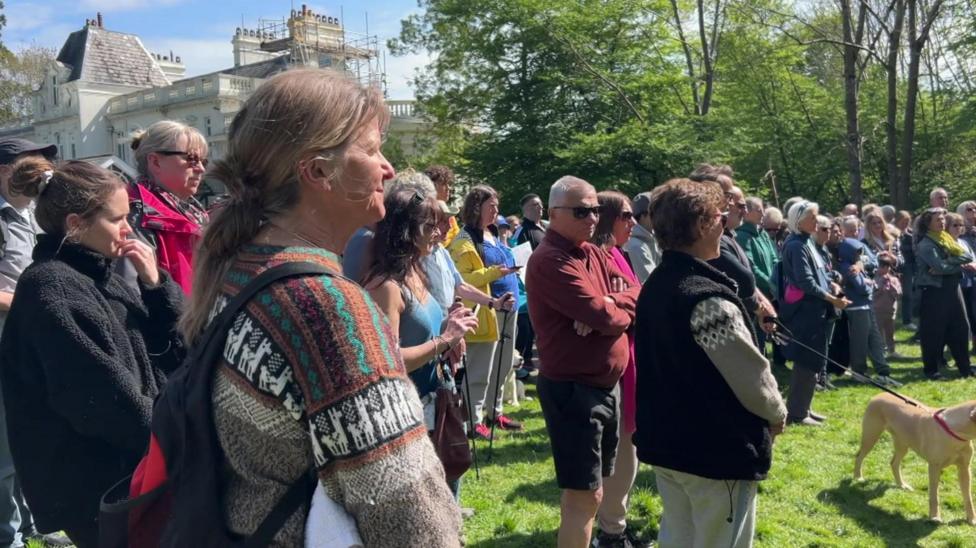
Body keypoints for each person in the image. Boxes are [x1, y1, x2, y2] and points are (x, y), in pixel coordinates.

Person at [178, 69, 461, 546]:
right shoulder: (325, 306)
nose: (388, 168)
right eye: (371, 150)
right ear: (317, 171)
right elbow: (408, 512)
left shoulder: (240, 268)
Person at [0, 158, 185, 547]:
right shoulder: (52, 289)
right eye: (117, 219)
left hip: (131, 473)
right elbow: (103, 401)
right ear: (76, 224)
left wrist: (155, 286)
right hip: (98, 488)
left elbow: (172, 352)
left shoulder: (100, 277)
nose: (129, 229)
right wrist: (179, 439)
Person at [633, 178, 786, 548]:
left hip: (670, 446)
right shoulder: (706, 300)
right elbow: (752, 379)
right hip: (714, 453)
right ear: (701, 225)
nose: (724, 224)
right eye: (719, 217)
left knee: (678, 540)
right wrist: (777, 413)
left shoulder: (657, 285)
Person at [527, 176, 640, 548]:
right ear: (554, 213)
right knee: (584, 495)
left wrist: (611, 302)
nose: (593, 218)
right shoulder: (551, 259)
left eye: (595, 210)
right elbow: (602, 316)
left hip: (602, 387)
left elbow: (637, 291)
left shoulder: (590, 252)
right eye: (581, 211)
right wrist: (606, 310)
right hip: (574, 391)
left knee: (592, 492)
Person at [361, 187, 479, 498]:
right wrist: (444, 339)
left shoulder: (416, 273)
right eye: (429, 226)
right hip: (408, 418)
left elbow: (424, 331)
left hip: (435, 406)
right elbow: (387, 361)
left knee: (447, 495)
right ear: (404, 230)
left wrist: (450, 329)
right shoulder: (385, 286)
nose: (439, 233)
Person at [0, 139, 70, 548]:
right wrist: (32, 299)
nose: (44, 169)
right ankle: (8, 535)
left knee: (33, 435)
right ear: (4, 170)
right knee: (5, 448)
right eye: (32, 162)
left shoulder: (33, 215)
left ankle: (34, 525)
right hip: (6, 342)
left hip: (32, 340)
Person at [589, 191, 646, 548]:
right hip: (611, 369)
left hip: (631, 359)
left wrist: (621, 300)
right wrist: (622, 303)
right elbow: (601, 312)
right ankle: (611, 531)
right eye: (626, 215)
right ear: (608, 218)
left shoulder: (619, 256)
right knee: (620, 454)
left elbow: (639, 296)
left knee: (629, 450)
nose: (633, 221)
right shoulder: (596, 256)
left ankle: (615, 525)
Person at [448, 185, 521, 439]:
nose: (496, 211)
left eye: (497, 206)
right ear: (477, 207)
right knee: (480, 371)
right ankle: (473, 421)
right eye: (492, 206)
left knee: (502, 366)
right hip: (486, 310)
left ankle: (494, 412)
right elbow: (463, 279)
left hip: (508, 307)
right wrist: (495, 273)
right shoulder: (464, 239)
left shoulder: (492, 233)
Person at [780, 200, 849, 426]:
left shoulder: (807, 242)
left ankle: (804, 407)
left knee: (814, 361)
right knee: (805, 360)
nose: (815, 221)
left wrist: (832, 285)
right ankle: (797, 412)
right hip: (805, 311)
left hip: (816, 309)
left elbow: (821, 274)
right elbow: (806, 282)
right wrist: (832, 299)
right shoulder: (795, 246)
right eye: (811, 217)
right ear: (798, 220)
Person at [127, 120, 209, 293]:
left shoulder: (193, 212)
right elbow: (132, 291)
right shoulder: (136, 215)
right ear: (155, 162)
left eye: (203, 161)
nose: (201, 169)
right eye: (191, 159)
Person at [914, 208, 976, 380]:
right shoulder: (926, 244)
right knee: (934, 331)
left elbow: (967, 256)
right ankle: (932, 370)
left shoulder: (947, 239)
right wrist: (954, 265)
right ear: (928, 223)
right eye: (937, 220)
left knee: (961, 327)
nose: (942, 222)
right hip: (935, 291)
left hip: (953, 288)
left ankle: (965, 367)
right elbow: (939, 267)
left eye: (943, 219)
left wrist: (949, 263)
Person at [836, 238, 899, 386]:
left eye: (860, 252)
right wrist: (871, 284)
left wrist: (869, 282)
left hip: (866, 306)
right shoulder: (847, 267)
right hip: (856, 308)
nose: (859, 255)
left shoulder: (858, 265)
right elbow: (861, 288)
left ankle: (883, 371)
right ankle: (859, 372)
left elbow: (873, 264)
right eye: (856, 252)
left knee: (875, 340)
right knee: (860, 342)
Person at [623, 192, 662, 284]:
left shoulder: (653, 238)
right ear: (642, 216)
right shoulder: (635, 246)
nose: (661, 216)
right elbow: (651, 283)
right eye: (656, 212)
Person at [873, 256, 903, 358]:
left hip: (890, 310)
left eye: (885, 267)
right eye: (880, 267)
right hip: (877, 310)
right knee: (878, 332)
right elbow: (873, 294)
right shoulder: (874, 279)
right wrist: (880, 286)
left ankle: (892, 350)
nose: (882, 269)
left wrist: (892, 285)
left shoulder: (894, 279)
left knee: (890, 331)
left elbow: (899, 294)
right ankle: (880, 351)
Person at [956, 203, 976, 349]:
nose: (973, 212)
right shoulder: (959, 233)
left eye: (975, 209)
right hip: (964, 277)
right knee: (966, 311)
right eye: (969, 209)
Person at [425, 164, 460, 246]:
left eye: (449, 184)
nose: (448, 188)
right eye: (444, 184)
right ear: (432, 186)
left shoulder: (451, 217)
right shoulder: (421, 214)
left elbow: (458, 241)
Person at [895, 210, 916, 328]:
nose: (905, 224)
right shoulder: (891, 233)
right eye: (903, 221)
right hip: (894, 267)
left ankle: (907, 320)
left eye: (907, 221)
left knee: (907, 294)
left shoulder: (911, 234)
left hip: (908, 267)